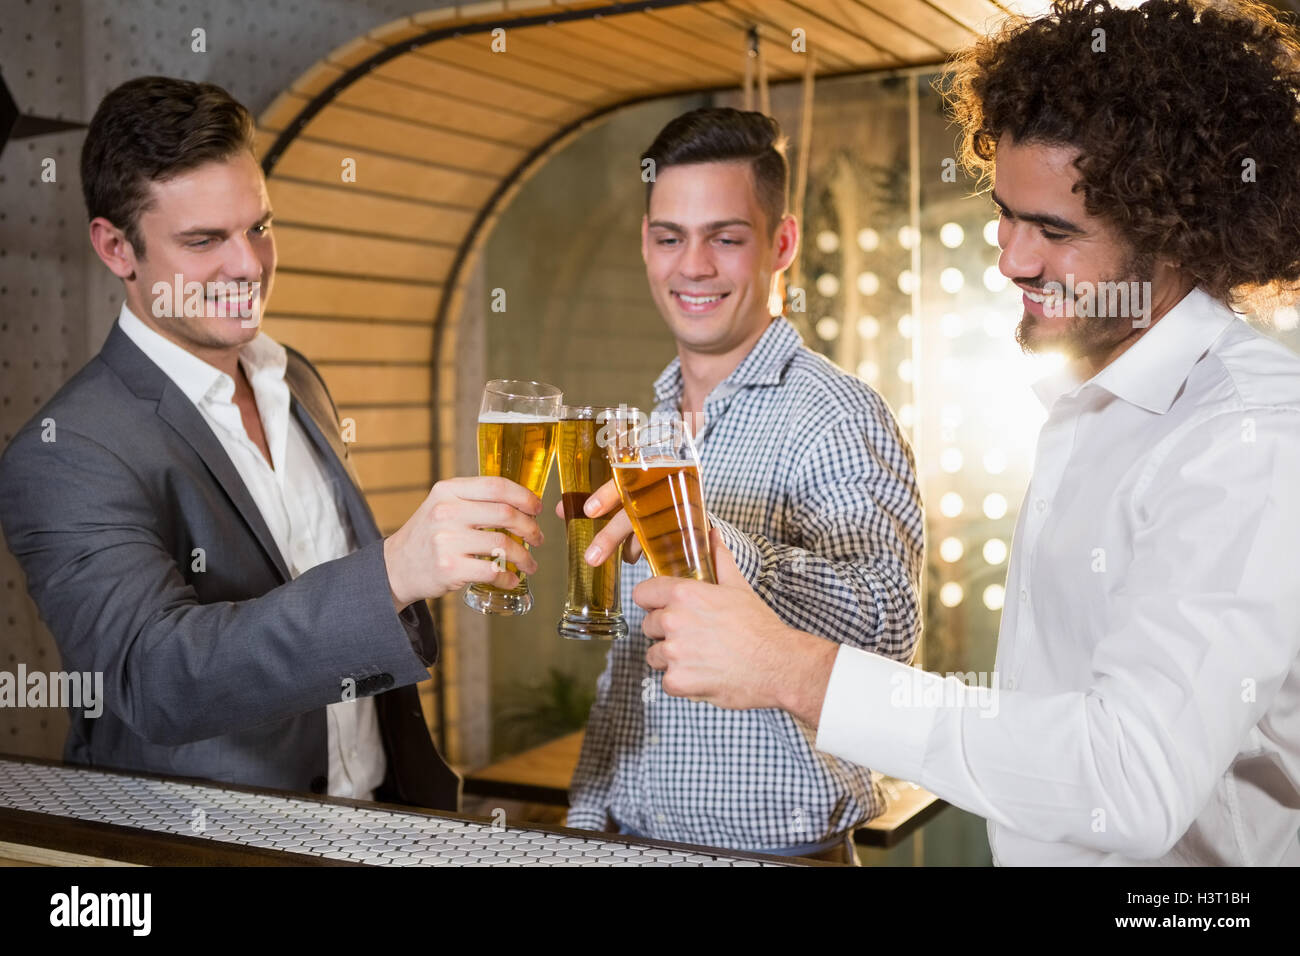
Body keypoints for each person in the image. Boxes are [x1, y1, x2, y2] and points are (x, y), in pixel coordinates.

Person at [630, 0, 1300, 865]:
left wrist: (794, 669)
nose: (1010, 259)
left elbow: (1127, 779)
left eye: (1054, 230)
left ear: (1178, 234)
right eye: (1006, 214)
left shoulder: (1249, 432)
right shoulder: (1097, 403)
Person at [0, 77, 544, 809]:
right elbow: (154, 680)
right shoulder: (68, 450)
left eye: (258, 226)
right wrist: (392, 572)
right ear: (116, 248)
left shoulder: (297, 379)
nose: (249, 266)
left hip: (383, 814)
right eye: (204, 240)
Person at [565, 107, 925, 863]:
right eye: (670, 238)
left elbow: (891, 632)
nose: (692, 267)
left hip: (780, 857)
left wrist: (709, 541)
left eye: (725, 239)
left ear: (781, 243)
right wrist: (589, 818)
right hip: (630, 842)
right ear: (647, 244)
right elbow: (632, 664)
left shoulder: (836, 414)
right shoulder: (650, 423)